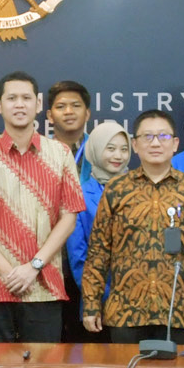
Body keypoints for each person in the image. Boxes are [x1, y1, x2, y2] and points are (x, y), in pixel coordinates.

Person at [0, 71, 84, 343]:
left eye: (26, 98)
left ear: (38, 105)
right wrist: (7, 272)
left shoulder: (60, 154)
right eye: (11, 98)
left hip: (44, 288)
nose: (19, 104)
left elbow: (69, 217)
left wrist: (33, 267)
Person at [81, 110, 184, 345]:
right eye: (147, 137)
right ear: (135, 145)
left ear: (175, 144)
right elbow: (98, 252)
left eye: (163, 136)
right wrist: (91, 304)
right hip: (125, 314)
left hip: (181, 313)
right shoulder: (116, 189)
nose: (156, 143)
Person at [66, 120, 131, 339]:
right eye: (110, 148)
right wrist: (101, 295)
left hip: (139, 302)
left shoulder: (139, 190)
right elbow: (78, 256)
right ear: (94, 149)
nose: (118, 156)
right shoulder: (80, 193)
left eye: (124, 149)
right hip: (98, 303)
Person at [47, 82, 94, 182]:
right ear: (50, 116)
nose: (69, 111)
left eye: (76, 105)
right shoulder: (38, 150)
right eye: (60, 106)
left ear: (87, 114)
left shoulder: (99, 150)